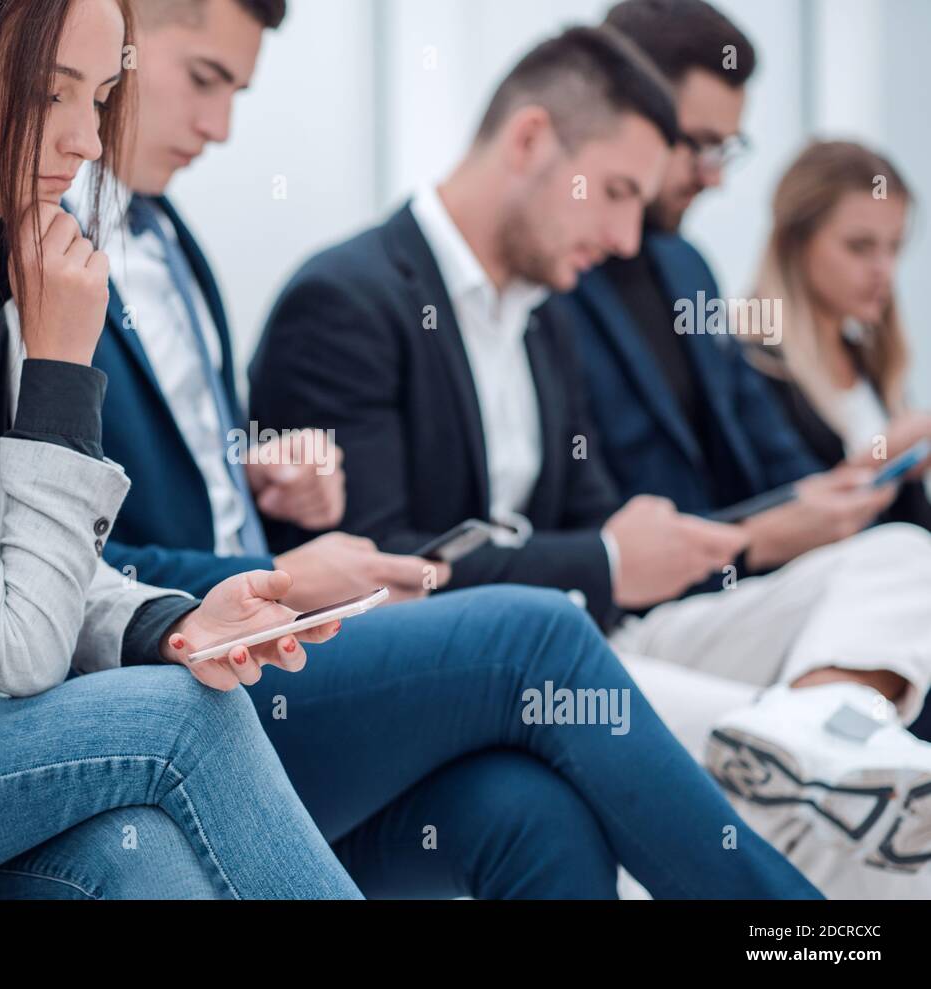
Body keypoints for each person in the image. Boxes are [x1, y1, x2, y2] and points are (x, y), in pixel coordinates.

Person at [71, 0, 824, 900]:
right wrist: (277, 570)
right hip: (177, 662)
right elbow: (59, 546)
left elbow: (179, 477)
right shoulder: (47, 256)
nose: (221, 127)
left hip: (263, 638)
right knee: (535, 635)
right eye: (205, 79)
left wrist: (268, 478)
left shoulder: (171, 241)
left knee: (532, 814)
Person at [248, 12, 931, 894]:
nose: (625, 237)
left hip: (607, 630)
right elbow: (375, 570)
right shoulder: (349, 297)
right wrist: (608, 556)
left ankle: (823, 729)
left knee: (902, 561)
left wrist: (645, 540)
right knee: (864, 800)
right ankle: (817, 787)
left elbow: (590, 524)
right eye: (614, 192)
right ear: (532, 140)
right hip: (504, 661)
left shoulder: (544, 320)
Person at [0, 0, 362, 901]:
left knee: (139, 856)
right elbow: (15, 646)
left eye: (102, 96)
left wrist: (168, 622)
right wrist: (59, 373)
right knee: (184, 719)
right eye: (51, 94)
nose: (87, 140)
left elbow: (12, 559)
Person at [742, 141, 931, 532]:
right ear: (795, 243)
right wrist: (882, 459)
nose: (884, 270)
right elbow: (779, 524)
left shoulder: (872, 363)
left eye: (894, 247)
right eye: (859, 247)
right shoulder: (752, 369)